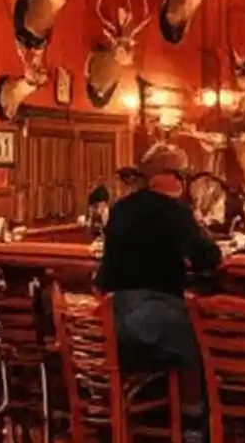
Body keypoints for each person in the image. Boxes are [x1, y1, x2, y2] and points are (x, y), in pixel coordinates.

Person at [96, 143, 223, 433]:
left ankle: (145, 421)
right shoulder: (172, 211)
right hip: (154, 314)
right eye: (180, 175)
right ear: (162, 176)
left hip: (112, 318)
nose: (183, 182)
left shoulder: (120, 209)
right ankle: (192, 423)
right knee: (201, 344)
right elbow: (209, 257)